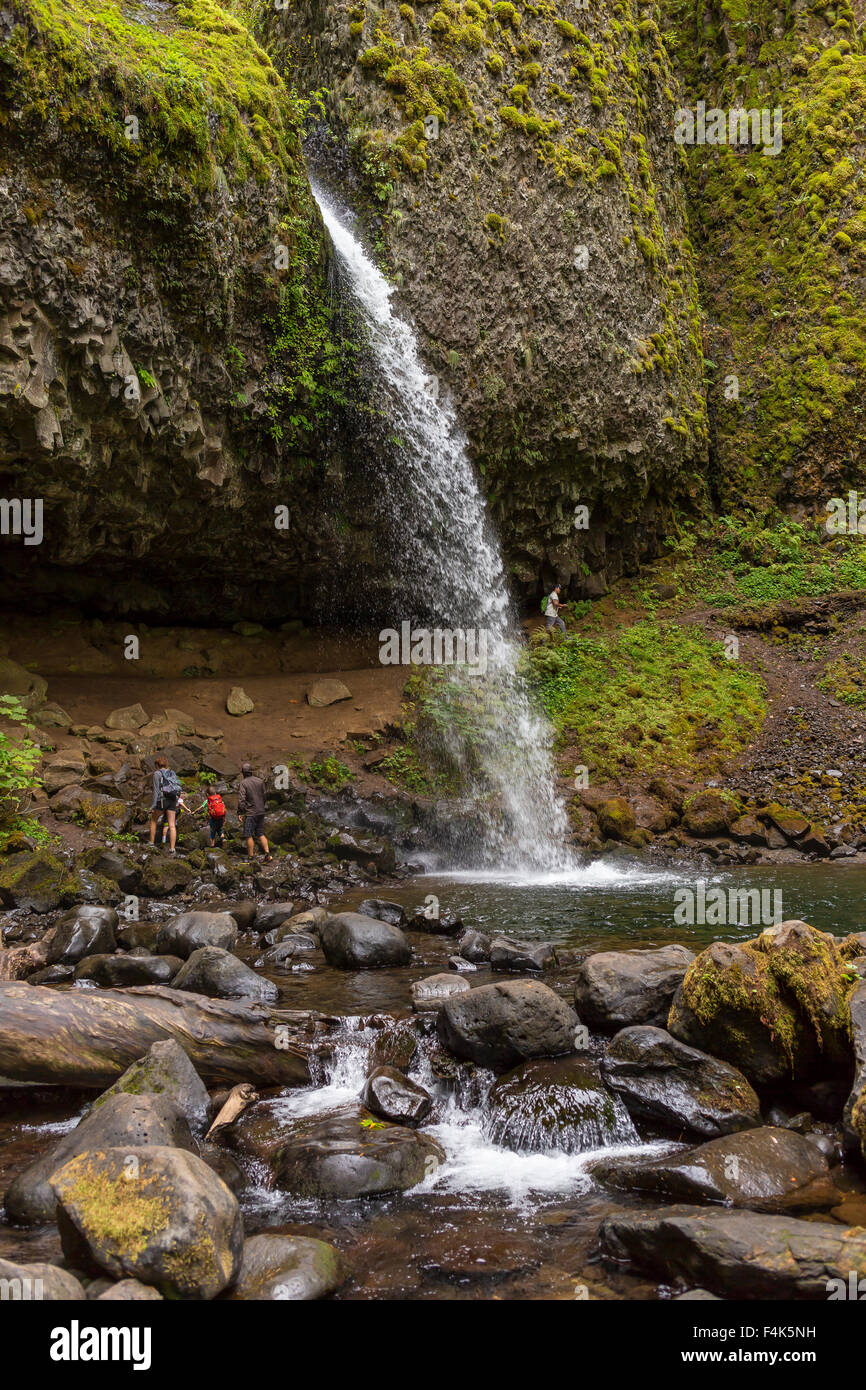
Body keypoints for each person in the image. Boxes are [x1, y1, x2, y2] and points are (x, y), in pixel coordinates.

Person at [148, 757, 190, 852]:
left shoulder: (157, 774)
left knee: (154, 819)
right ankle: (172, 848)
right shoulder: (172, 773)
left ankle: (151, 843)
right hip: (172, 800)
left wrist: (154, 805)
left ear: (157, 765)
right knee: (172, 825)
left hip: (162, 800)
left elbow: (156, 790)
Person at [237, 761, 272, 861]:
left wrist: (240, 812)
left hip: (251, 813)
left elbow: (241, 799)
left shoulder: (243, 783)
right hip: (261, 811)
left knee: (248, 834)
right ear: (251, 772)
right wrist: (262, 806)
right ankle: (268, 854)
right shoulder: (260, 781)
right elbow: (265, 795)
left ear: (243, 773)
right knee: (260, 833)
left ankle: (251, 856)